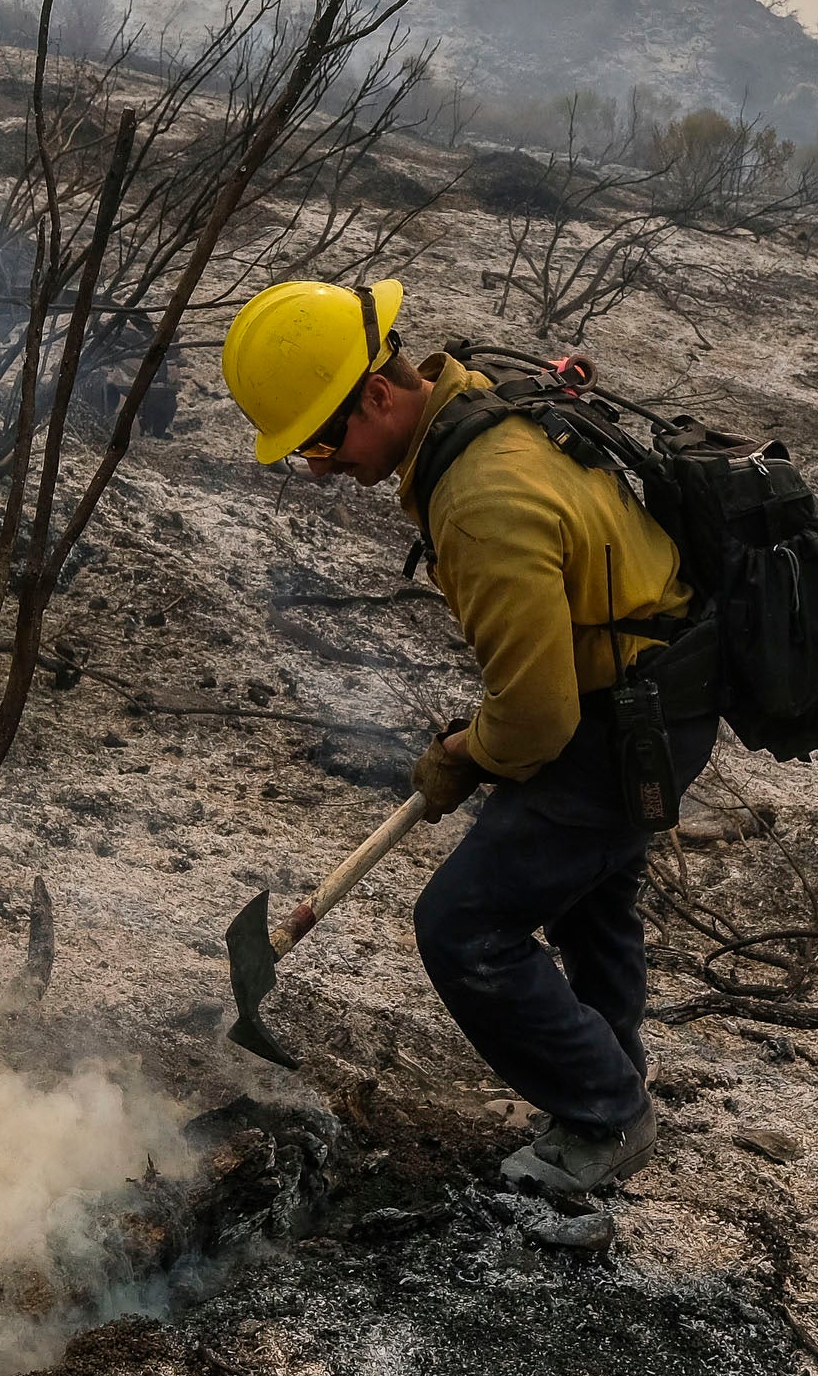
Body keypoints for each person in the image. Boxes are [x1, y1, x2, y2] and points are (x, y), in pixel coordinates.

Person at [218, 277, 714, 1197]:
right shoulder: (470, 401)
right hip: (648, 692)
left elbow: (536, 720)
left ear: (378, 393)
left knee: (462, 926)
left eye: (322, 441)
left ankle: (606, 1114)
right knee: (588, 898)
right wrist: (487, 740)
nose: (319, 470)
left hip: (625, 719)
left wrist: (464, 755)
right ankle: (602, 1092)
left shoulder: (480, 495)